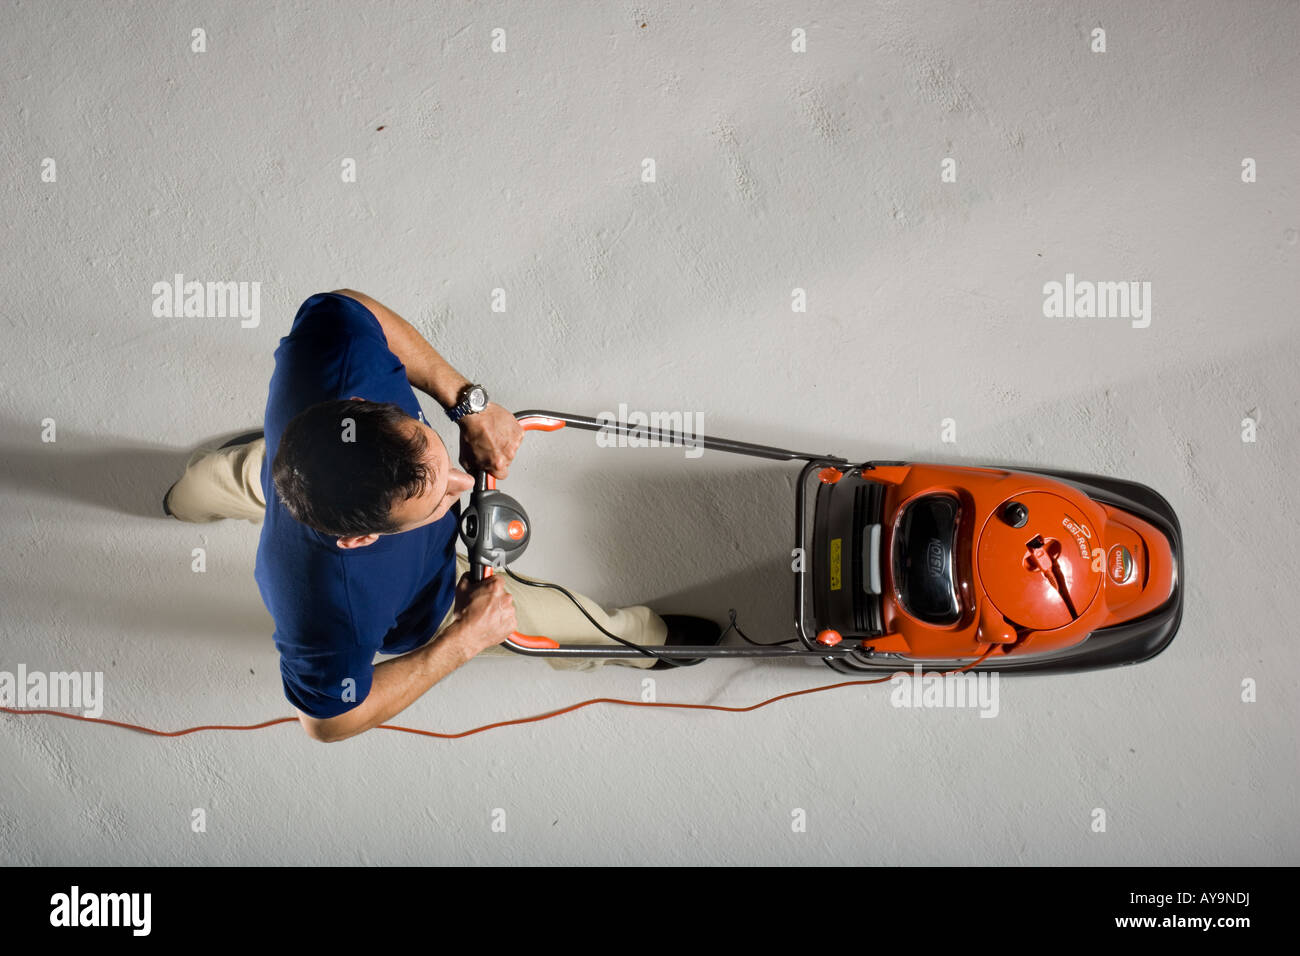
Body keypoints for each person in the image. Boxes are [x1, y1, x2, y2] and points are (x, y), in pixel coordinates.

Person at [163, 289, 721, 742]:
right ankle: (642, 642)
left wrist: (466, 405)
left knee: (240, 475)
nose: (461, 488)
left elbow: (358, 306)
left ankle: (187, 494)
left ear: (360, 408)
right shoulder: (325, 611)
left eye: (433, 447)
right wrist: (463, 642)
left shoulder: (335, 353)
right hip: (428, 599)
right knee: (555, 620)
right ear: (360, 540)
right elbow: (328, 722)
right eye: (435, 501)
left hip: (287, 460)